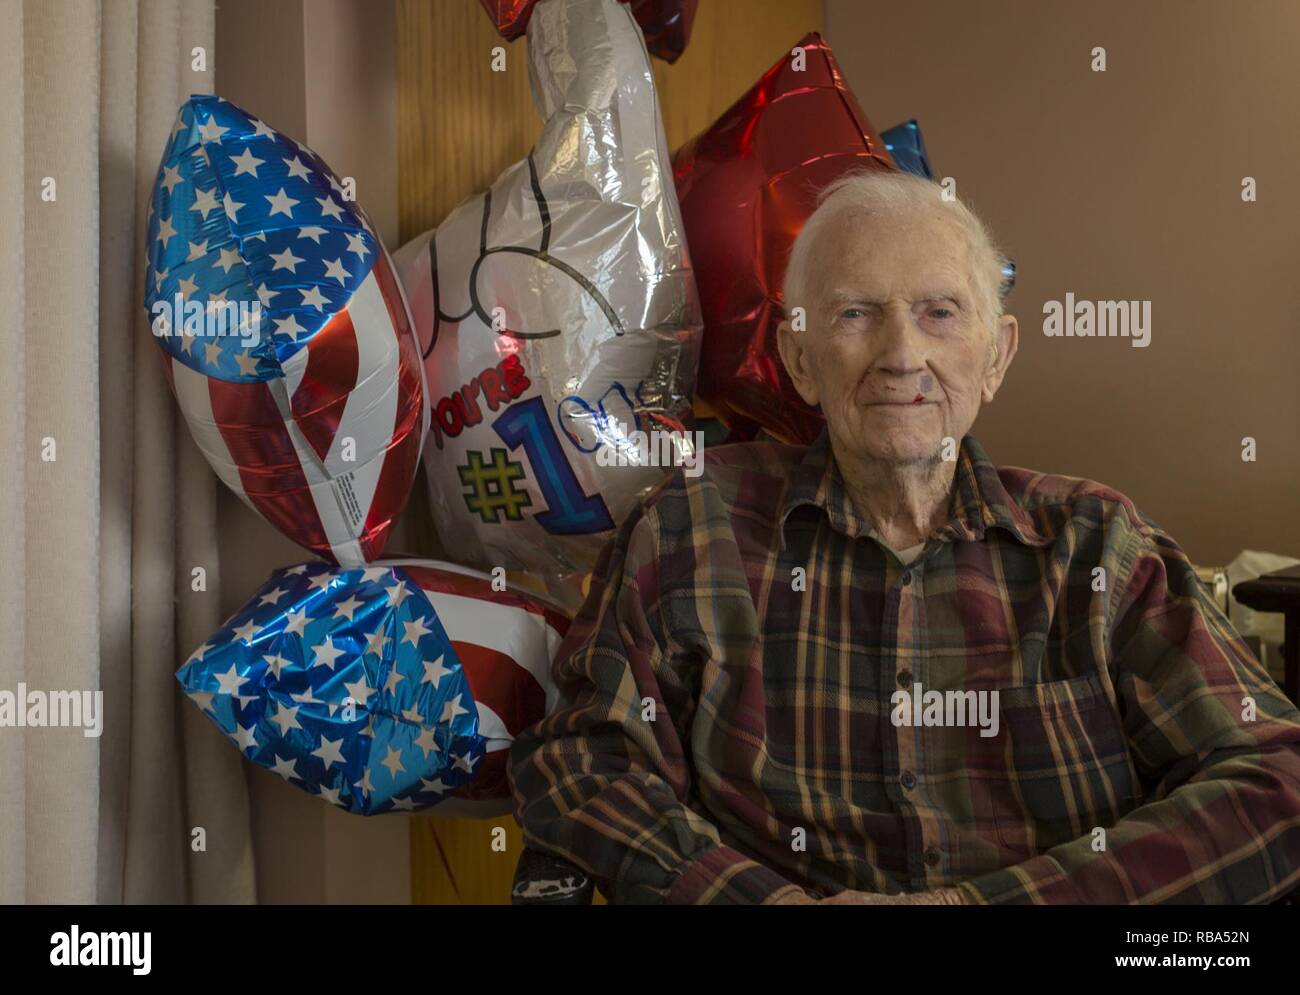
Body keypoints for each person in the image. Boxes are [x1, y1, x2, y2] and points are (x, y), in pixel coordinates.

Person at [509, 169, 1300, 904]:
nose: (900, 355)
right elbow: (584, 763)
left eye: (939, 313)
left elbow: (1277, 776)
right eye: (856, 313)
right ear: (799, 358)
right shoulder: (692, 527)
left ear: (995, 357)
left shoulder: (1099, 547)